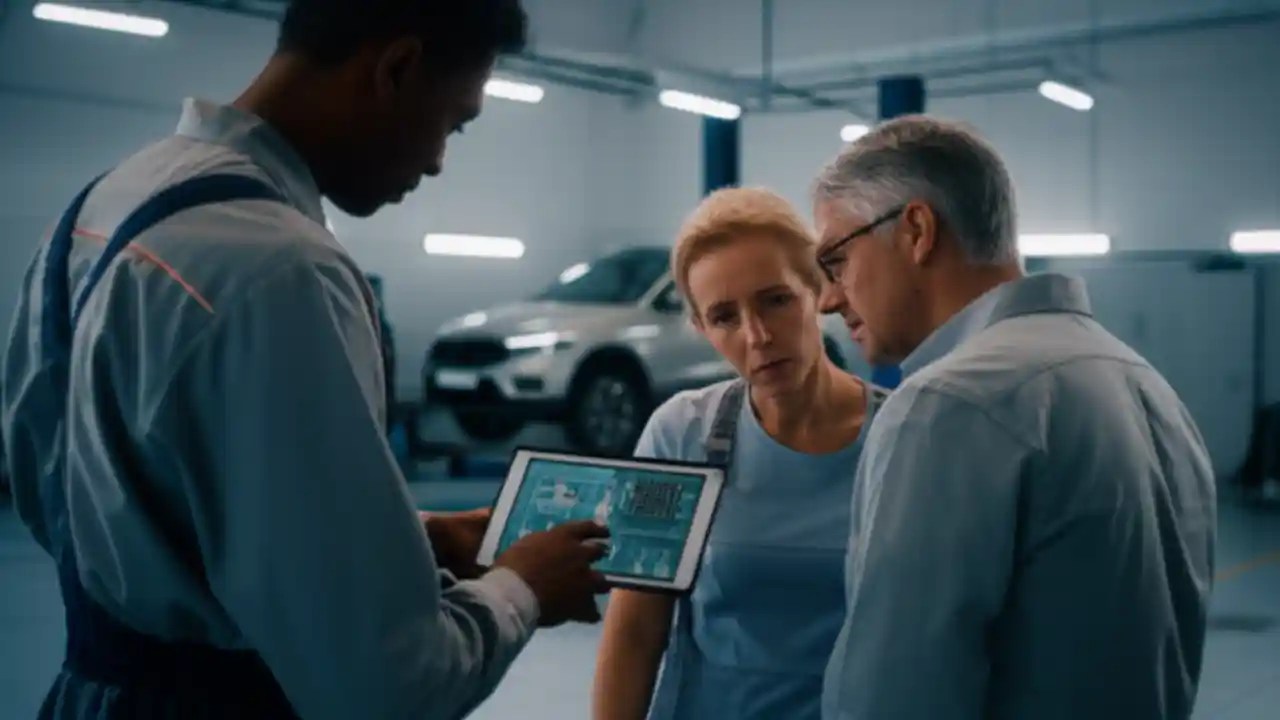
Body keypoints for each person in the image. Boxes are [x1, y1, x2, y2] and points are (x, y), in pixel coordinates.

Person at [0, 1, 611, 718]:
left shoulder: (98, 208)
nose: (438, 161)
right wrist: (524, 587)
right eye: (453, 122)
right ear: (397, 68)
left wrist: (402, 540)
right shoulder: (283, 269)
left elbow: (104, 503)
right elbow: (390, 685)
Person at [813, 115, 1217, 720]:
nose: (827, 298)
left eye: (837, 260)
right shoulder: (1145, 384)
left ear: (917, 230)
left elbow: (893, 697)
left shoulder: (947, 404)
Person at [591, 187, 887, 720]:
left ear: (818, 288)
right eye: (725, 317)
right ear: (702, 329)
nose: (757, 335)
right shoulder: (681, 435)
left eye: (776, 300)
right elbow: (634, 630)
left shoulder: (900, 434)